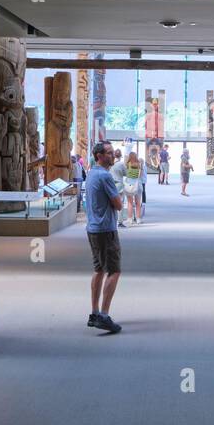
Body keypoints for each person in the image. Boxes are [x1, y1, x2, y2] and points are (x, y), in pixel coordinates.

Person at [84, 141, 124, 333]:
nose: (112, 156)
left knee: (99, 269)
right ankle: (104, 315)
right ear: (99, 155)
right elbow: (118, 204)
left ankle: (94, 312)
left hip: (92, 227)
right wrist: (118, 197)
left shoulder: (91, 172)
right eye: (108, 153)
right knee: (114, 271)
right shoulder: (104, 176)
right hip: (105, 229)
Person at [122, 151, 143, 225]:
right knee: (138, 203)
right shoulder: (139, 164)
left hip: (129, 185)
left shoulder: (127, 164)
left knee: (130, 203)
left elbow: (125, 173)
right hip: (138, 185)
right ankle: (138, 219)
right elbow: (141, 175)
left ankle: (130, 219)